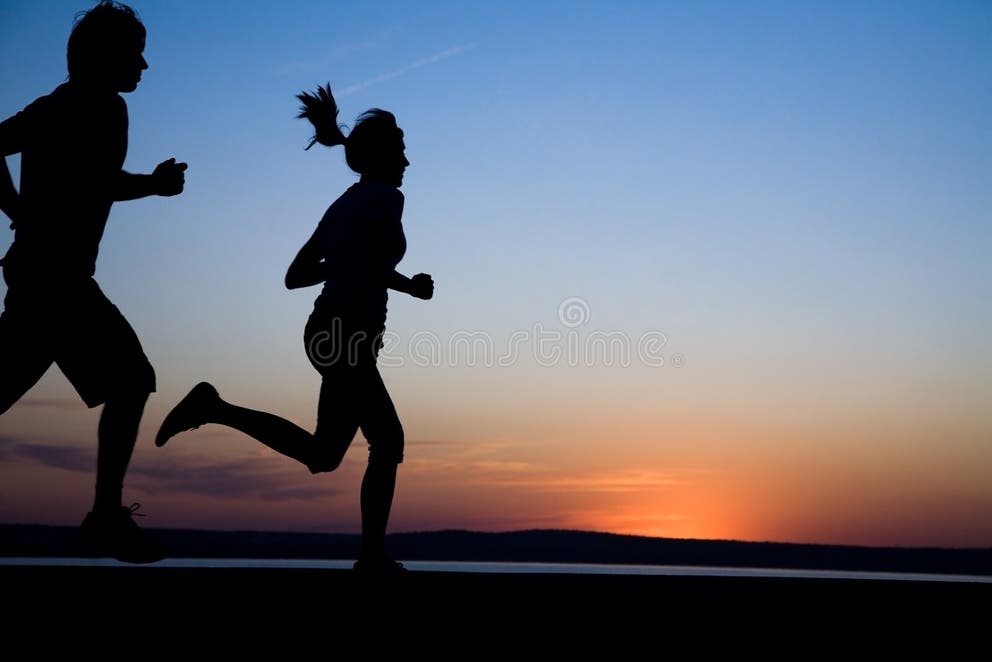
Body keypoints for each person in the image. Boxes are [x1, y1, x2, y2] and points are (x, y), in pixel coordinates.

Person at [156, 82, 433, 574]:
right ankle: (371, 558)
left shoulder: (343, 204)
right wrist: (400, 281)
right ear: (384, 156)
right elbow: (357, 264)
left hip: (330, 333)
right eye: (403, 150)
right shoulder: (387, 199)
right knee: (387, 440)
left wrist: (391, 281)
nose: (408, 161)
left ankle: (213, 406)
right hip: (344, 334)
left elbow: (297, 275)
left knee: (324, 455)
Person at [0, 1, 187, 563]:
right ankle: (105, 518)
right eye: (135, 53)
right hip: (53, 281)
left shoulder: (96, 108)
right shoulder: (70, 107)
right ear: (104, 56)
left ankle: (105, 517)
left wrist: (151, 185)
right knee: (134, 378)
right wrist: (18, 207)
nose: (145, 66)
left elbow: (99, 183)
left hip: (50, 279)